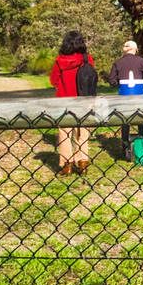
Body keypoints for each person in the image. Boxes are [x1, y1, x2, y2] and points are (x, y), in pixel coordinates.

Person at [48, 31, 96, 176]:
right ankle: (82, 162)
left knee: (65, 133)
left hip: (64, 100)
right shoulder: (87, 59)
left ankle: (66, 164)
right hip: (83, 100)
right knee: (82, 133)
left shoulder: (59, 60)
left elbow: (53, 80)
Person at [108, 40, 143, 160]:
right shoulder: (140, 61)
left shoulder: (118, 62)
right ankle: (141, 148)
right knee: (141, 120)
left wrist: (119, 82)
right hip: (139, 96)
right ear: (135, 49)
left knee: (125, 122)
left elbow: (111, 80)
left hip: (124, 96)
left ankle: (125, 149)